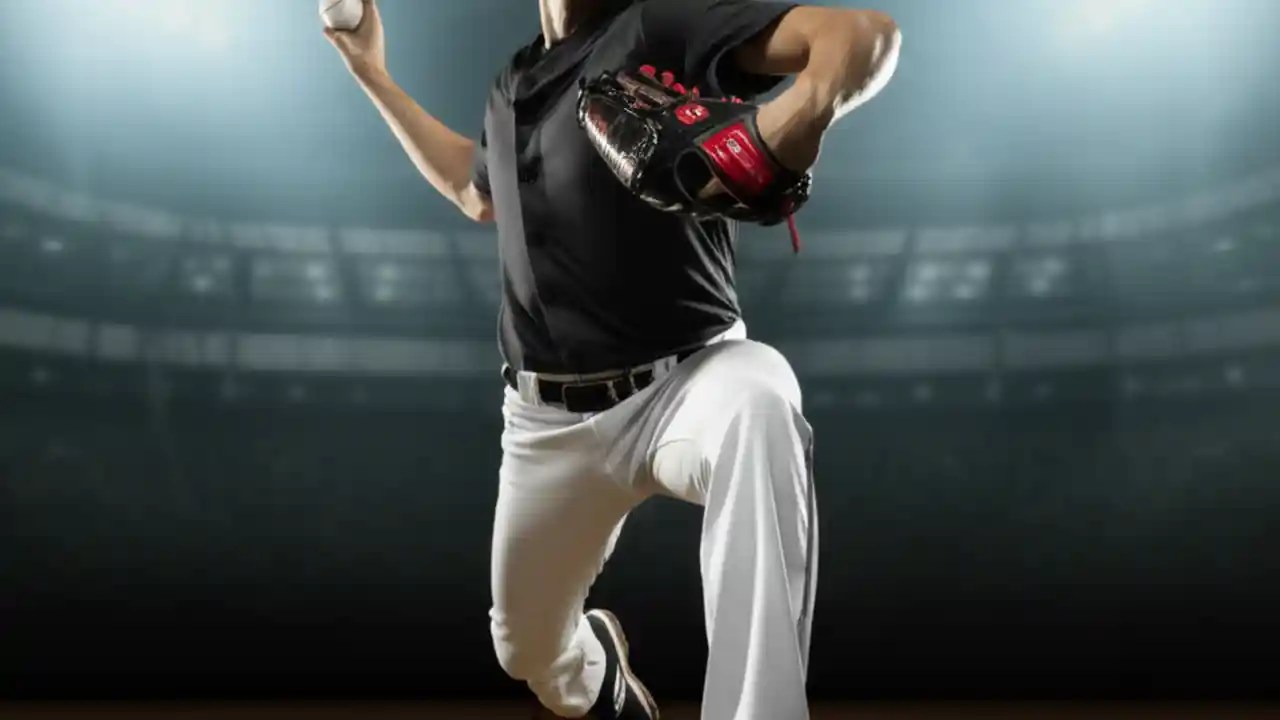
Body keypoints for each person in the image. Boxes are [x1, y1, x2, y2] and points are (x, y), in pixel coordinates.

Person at [326, 1, 901, 717]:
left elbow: (863, 40)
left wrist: (772, 136)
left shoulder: (661, 25)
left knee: (760, 403)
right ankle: (606, 686)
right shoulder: (512, 81)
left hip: (689, 381)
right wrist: (371, 73)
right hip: (547, 425)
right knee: (526, 650)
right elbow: (475, 194)